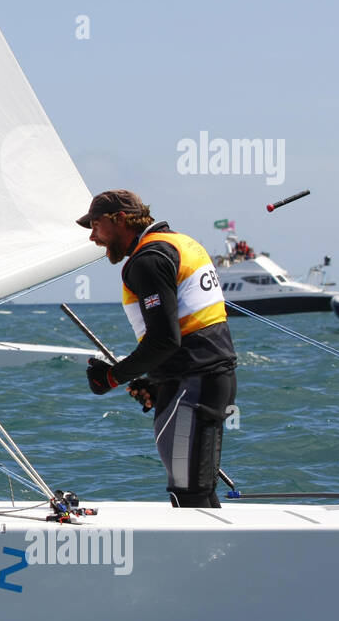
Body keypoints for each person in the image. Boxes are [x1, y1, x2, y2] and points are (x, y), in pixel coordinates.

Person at [76, 190, 237, 508]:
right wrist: (157, 379)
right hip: (208, 377)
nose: (93, 237)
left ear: (120, 220)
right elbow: (188, 331)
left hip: (193, 384)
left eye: (96, 225)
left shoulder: (148, 259)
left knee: (189, 493)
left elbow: (164, 339)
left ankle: (206, 557)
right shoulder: (181, 242)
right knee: (197, 489)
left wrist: (111, 377)